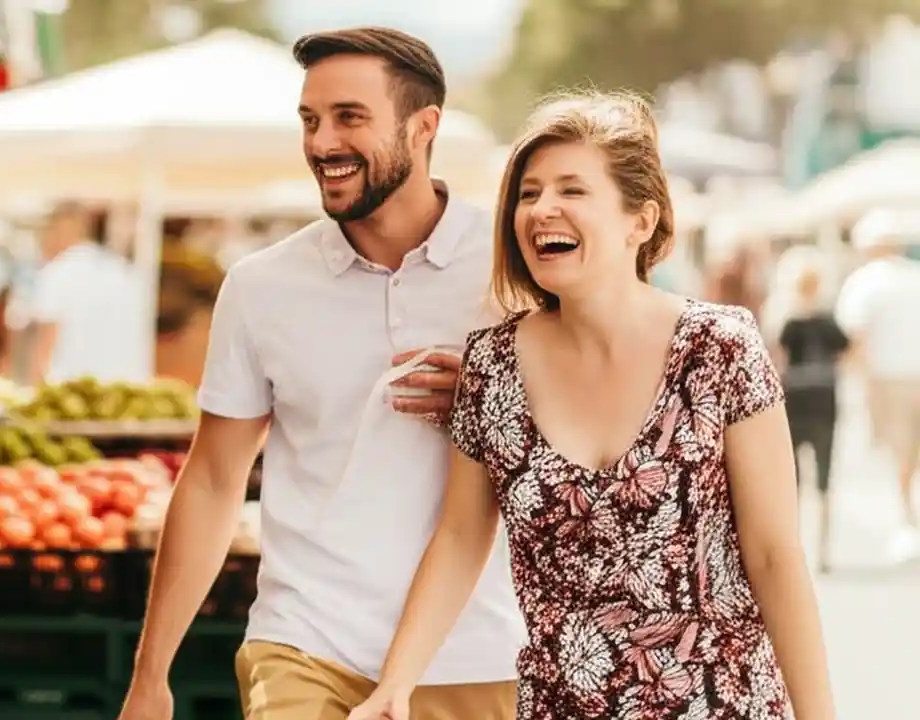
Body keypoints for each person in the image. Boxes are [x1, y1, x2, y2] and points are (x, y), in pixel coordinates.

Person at [349, 91, 834, 720]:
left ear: (641, 220)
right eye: (528, 193)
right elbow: (463, 535)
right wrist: (396, 683)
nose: (541, 208)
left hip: (723, 703)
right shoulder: (491, 367)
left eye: (572, 191)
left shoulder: (720, 347)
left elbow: (774, 555)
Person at [118, 27, 524, 720]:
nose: (321, 143)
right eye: (309, 120)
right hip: (307, 643)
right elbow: (215, 477)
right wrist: (150, 675)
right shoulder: (260, 287)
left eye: (349, 118)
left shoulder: (513, 270)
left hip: (480, 652)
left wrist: (504, 398)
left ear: (425, 127)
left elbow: (600, 427)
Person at [834, 210, 920, 557]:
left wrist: (858, 380)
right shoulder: (914, 277)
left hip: (887, 376)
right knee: (911, 447)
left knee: (898, 447)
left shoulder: (863, 282)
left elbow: (855, 338)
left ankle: (905, 517)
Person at [769, 248, 849, 573]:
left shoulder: (786, 319)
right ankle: (823, 550)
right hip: (824, 400)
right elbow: (845, 351)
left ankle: (798, 546)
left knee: (794, 480)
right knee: (824, 476)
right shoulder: (828, 320)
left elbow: (777, 359)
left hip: (793, 402)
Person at [28, 202, 148, 384]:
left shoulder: (56, 274)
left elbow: (46, 345)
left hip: (72, 392)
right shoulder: (124, 272)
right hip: (126, 391)